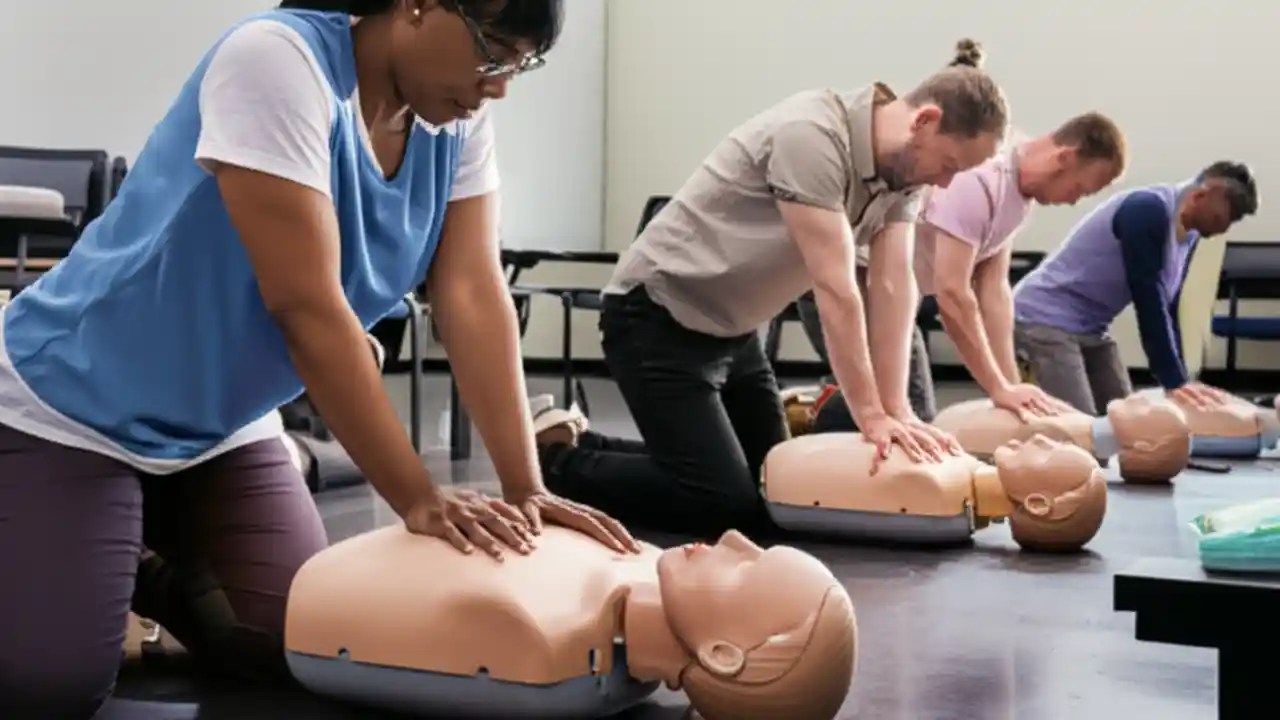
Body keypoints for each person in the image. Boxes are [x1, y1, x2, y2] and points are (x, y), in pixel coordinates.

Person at [0, 3, 638, 718]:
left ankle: (135, 557)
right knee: (50, 685)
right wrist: (418, 499)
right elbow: (307, 309)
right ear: (418, 6)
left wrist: (528, 486)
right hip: (74, 401)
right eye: (493, 52)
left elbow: (471, 292)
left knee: (314, 643)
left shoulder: (454, 123)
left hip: (222, 423)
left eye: (520, 64)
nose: (499, 87)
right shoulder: (276, 61)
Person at [533, 39, 1010, 537]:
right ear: (924, 121)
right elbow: (837, 288)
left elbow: (893, 285)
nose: (948, 184)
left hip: (736, 333)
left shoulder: (904, 172)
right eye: (952, 165)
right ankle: (552, 463)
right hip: (658, 317)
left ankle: (579, 441)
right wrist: (870, 414)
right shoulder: (812, 136)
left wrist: (899, 410)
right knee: (722, 505)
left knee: (774, 487)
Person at [808, 109, 1129, 432]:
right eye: (1080, 189)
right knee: (902, 414)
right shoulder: (984, 178)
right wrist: (996, 386)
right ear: (1065, 158)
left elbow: (994, 293)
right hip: (850, 282)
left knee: (908, 414)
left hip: (889, 293)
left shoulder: (1019, 197)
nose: (1075, 201)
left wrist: (1011, 385)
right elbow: (953, 293)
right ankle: (818, 420)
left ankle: (828, 408)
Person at [1012, 161, 1259, 415]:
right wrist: (1173, 379)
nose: (1224, 229)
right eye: (1221, 218)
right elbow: (1148, 296)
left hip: (1091, 328)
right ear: (1199, 195)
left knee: (1126, 420)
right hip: (1042, 321)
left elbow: (1168, 305)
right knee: (1079, 426)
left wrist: (1182, 378)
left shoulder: (1191, 234)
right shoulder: (1147, 210)